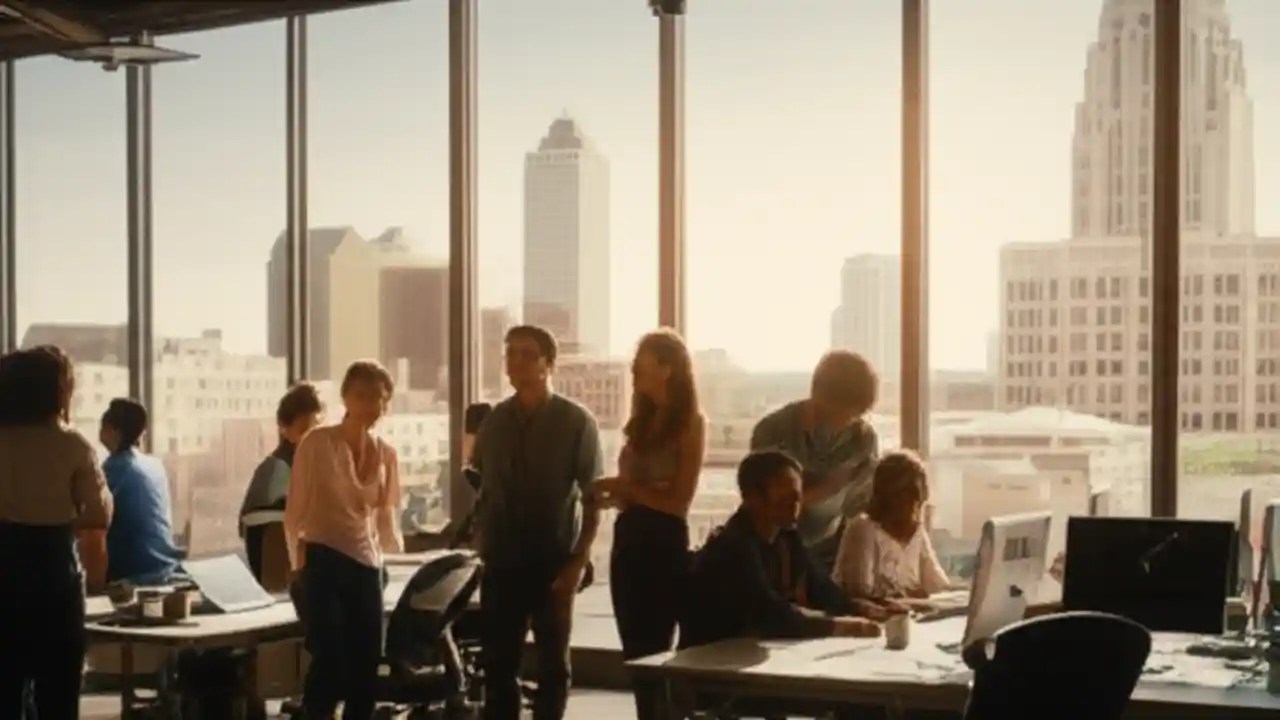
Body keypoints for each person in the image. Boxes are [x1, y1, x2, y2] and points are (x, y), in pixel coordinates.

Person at [473, 325, 604, 720]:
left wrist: (578, 561)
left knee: (552, 666)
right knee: (499, 666)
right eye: (510, 353)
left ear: (549, 364)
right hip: (501, 562)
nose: (516, 362)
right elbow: (484, 487)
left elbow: (593, 496)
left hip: (553, 561)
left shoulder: (576, 422)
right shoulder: (494, 422)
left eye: (527, 354)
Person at [284, 360, 404, 720]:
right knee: (330, 658)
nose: (370, 405)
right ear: (346, 398)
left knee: (366, 666)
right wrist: (298, 569)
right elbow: (294, 513)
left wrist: (392, 566)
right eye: (362, 395)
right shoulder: (317, 443)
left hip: (366, 563)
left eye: (379, 398)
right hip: (323, 558)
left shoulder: (386, 454)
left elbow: (386, 520)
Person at [595, 329, 705, 716]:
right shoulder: (639, 423)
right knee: (636, 658)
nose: (633, 370)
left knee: (657, 655)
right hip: (629, 542)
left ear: (668, 367)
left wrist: (631, 488)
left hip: (662, 545)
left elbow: (677, 503)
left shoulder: (691, 424)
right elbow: (641, 495)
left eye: (641, 362)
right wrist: (615, 493)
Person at [0, 346, 113, 719]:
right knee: (58, 698)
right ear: (57, 391)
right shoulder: (71, 445)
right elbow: (97, 515)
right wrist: (57, 517)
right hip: (53, 577)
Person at [682, 450, 881, 648]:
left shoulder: (786, 536)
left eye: (797, 498)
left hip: (750, 650)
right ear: (752, 498)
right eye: (784, 500)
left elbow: (821, 588)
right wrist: (839, 627)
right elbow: (770, 615)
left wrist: (861, 609)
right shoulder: (732, 547)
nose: (794, 506)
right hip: (713, 656)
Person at [750, 350, 880, 574]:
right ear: (822, 399)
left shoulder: (862, 440)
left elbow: (861, 511)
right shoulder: (773, 432)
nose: (854, 420)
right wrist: (834, 485)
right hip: (775, 556)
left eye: (859, 413)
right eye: (848, 412)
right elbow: (767, 507)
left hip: (832, 558)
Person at [833, 450, 951, 617]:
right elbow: (860, 593)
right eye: (906, 494)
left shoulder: (916, 532)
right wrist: (910, 594)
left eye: (917, 496)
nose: (914, 504)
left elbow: (938, 586)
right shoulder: (864, 528)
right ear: (887, 496)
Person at [239, 382, 323, 583]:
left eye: (316, 430)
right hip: (279, 570)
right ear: (284, 429)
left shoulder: (313, 464)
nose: (311, 437)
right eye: (304, 429)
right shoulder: (276, 469)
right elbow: (255, 523)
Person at [100, 398, 182, 586]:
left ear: (114, 431)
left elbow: (91, 511)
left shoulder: (116, 467)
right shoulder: (154, 465)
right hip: (165, 567)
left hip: (134, 572)